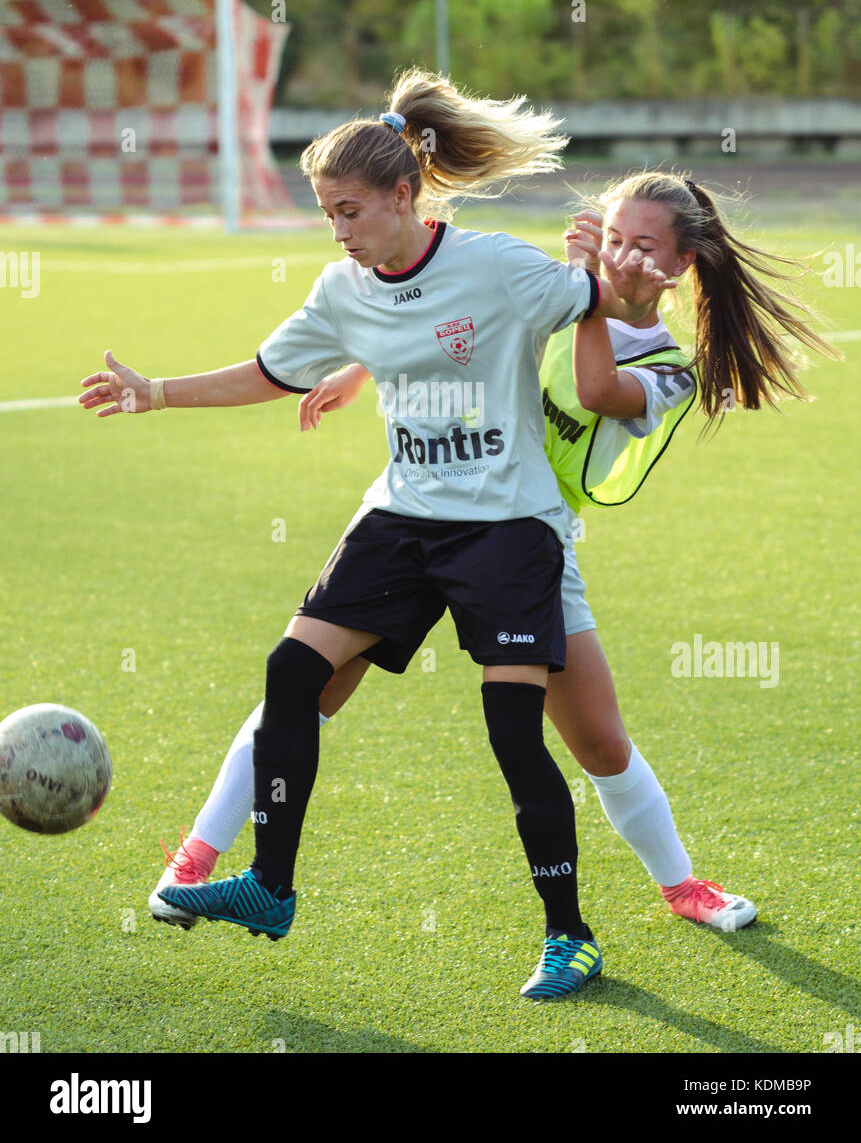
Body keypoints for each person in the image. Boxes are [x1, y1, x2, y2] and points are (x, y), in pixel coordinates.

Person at [80, 70, 676, 1000]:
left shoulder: (493, 265)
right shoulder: (343, 286)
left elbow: (598, 306)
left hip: (506, 529)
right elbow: (272, 371)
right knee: (290, 673)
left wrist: (631, 290)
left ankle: (570, 935)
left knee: (515, 733)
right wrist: (155, 391)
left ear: (404, 195)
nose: (339, 231)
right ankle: (270, 886)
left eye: (349, 210)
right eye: (327, 215)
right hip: (402, 519)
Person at [146, 171, 835, 952]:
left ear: (678, 267)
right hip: (425, 515)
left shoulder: (671, 363)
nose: (619, 255)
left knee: (597, 743)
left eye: (641, 246)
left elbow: (595, 386)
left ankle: (681, 888)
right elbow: (450, 318)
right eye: (611, 237)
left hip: (524, 540)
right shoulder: (551, 284)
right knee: (306, 685)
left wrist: (585, 297)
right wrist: (356, 369)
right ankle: (196, 861)